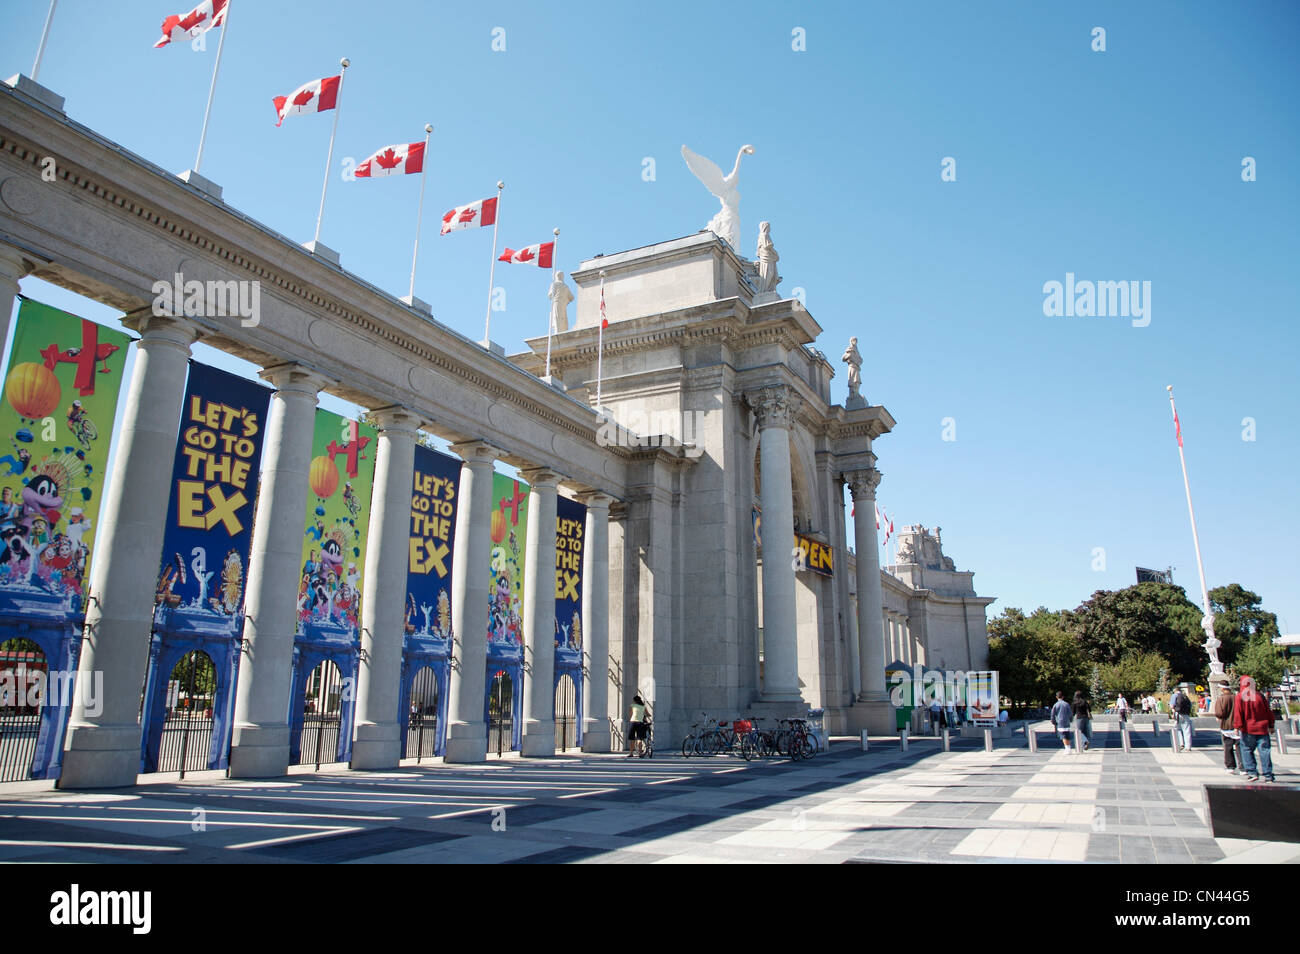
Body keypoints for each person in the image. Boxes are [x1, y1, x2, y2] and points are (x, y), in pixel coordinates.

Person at [1233, 675, 1276, 782]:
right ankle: (1268, 774)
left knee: (1247, 749)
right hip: (1262, 728)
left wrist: (1237, 726)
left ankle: (1252, 772)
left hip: (1248, 728)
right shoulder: (1259, 696)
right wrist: (1271, 725)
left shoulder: (1240, 697)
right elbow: (1268, 711)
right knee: (1265, 751)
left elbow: (1238, 713)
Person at [1212, 683, 1240, 775]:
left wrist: (1219, 716)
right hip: (1237, 725)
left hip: (1226, 725)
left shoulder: (1222, 699)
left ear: (1222, 688)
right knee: (1240, 747)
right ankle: (1243, 767)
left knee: (1228, 747)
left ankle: (1230, 766)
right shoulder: (1236, 698)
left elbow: (1219, 712)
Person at [627, 693, 649, 757]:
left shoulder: (632, 705)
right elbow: (648, 714)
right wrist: (644, 715)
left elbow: (630, 714)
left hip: (633, 722)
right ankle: (640, 753)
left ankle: (631, 753)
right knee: (640, 739)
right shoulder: (643, 706)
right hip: (640, 723)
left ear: (634, 701)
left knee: (632, 739)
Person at [1174, 687, 1194, 751]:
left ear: (1175, 691)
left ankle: (1180, 743)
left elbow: (1173, 705)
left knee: (1177, 729)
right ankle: (1188, 746)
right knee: (1187, 730)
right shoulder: (1185, 697)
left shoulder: (1176, 696)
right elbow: (1190, 705)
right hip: (1186, 714)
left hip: (1179, 714)